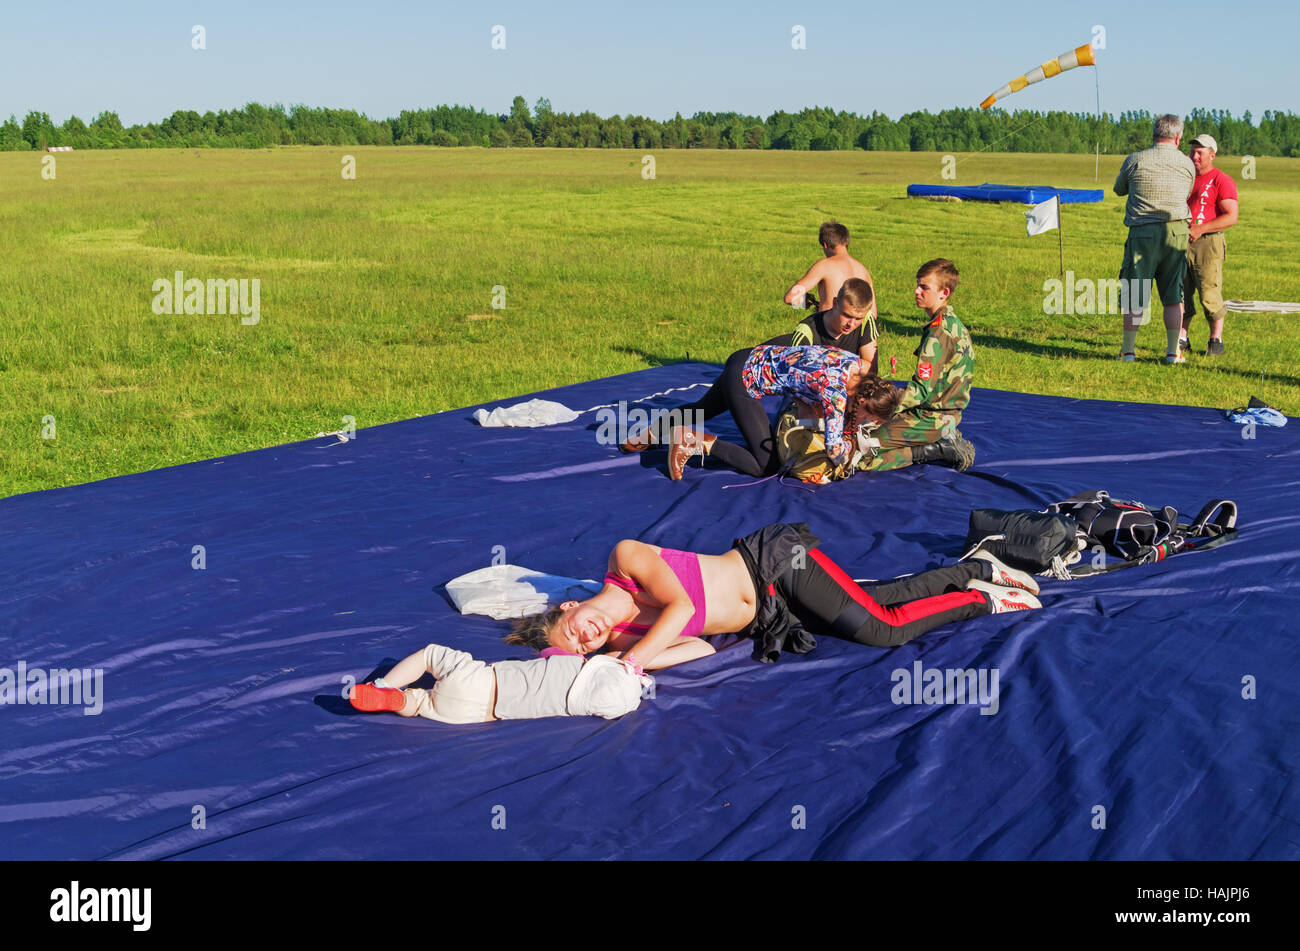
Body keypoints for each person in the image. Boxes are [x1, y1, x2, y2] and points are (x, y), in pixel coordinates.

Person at [506, 523, 1043, 671]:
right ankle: (973, 569)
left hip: (777, 562)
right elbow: (701, 644)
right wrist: (629, 660)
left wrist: (631, 663)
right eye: (582, 650)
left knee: (882, 628)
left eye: (573, 631)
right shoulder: (625, 641)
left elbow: (687, 610)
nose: (587, 639)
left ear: (570, 608)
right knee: (880, 598)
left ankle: (982, 597)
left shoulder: (625, 560)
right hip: (769, 609)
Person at [620, 279, 876, 459]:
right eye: (846, 315)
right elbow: (796, 398)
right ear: (833, 303)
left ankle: (650, 434)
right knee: (767, 460)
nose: (851, 324)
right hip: (750, 371)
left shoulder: (865, 327)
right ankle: (684, 439)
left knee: (704, 408)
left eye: (857, 319)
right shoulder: (807, 332)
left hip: (749, 368)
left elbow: (867, 376)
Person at [664, 346, 897, 480]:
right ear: (863, 400)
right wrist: (849, 442)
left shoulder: (857, 366)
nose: (869, 423)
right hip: (745, 380)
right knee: (765, 466)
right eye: (870, 418)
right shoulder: (835, 394)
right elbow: (836, 453)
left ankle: (648, 435)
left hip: (746, 356)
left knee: (703, 409)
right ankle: (693, 441)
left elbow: (810, 390)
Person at [856, 258, 975, 473]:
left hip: (934, 418)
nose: (916, 291)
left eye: (924, 287)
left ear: (944, 293)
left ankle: (935, 449)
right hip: (941, 415)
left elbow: (920, 390)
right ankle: (937, 441)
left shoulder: (938, 333)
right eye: (917, 284)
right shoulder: (950, 323)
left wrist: (884, 407)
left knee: (862, 452)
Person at [348, 642, 652, 723]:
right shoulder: (575, 707)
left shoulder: (571, 663)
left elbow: (547, 651)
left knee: (431, 655)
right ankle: (402, 702)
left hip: (480, 681)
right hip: (474, 715)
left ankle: (385, 687)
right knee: (421, 704)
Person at [1112, 114, 1196, 364]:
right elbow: (1187, 191)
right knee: (1174, 294)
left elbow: (1119, 188)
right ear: (1178, 137)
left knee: (1135, 292)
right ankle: (1173, 352)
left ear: (1154, 134)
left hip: (1142, 232)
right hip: (1177, 232)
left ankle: (1128, 352)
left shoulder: (1135, 160)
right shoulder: (1187, 164)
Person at [784, 223, 879, 374]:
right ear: (846, 242)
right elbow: (872, 315)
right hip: (855, 345)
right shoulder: (862, 269)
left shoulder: (825, 265)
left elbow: (790, 298)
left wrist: (805, 304)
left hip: (826, 338)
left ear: (826, 245)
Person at [1180, 133, 1238, 356]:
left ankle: (1216, 341)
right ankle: (1182, 337)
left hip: (1208, 242)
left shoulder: (1221, 180)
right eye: (1192, 151)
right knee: (1181, 291)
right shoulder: (1185, 178)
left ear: (1212, 155)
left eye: (1200, 152)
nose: (1194, 156)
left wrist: (1200, 228)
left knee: (1209, 292)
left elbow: (1231, 216)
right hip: (1181, 240)